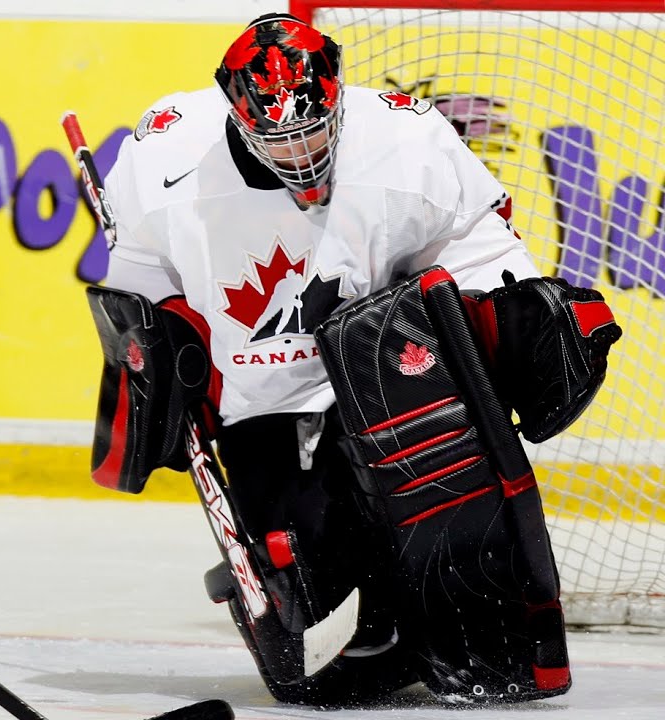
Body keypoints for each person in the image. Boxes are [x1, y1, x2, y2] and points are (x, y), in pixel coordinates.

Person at [85, 12, 619, 707]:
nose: (302, 150)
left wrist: (508, 318)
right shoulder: (166, 159)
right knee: (323, 672)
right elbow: (143, 284)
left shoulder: (406, 140)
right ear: (236, 118)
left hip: (382, 378)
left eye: (314, 127)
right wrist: (165, 360)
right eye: (279, 137)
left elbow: (478, 240)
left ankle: (450, 621)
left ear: (339, 97)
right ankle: (356, 611)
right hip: (262, 396)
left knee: (446, 546)